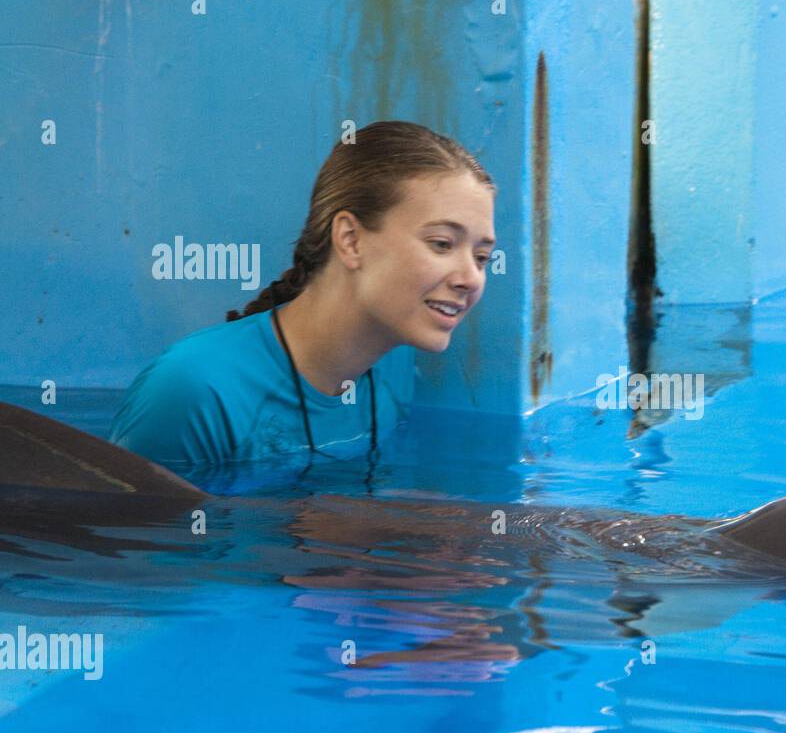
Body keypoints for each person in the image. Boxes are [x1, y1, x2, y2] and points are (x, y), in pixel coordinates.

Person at [108, 121, 496, 472]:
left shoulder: (394, 362)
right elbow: (136, 540)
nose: (470, 278)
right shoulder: (193, 391)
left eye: (481, 257)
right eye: (442, 244)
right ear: (350, 240)